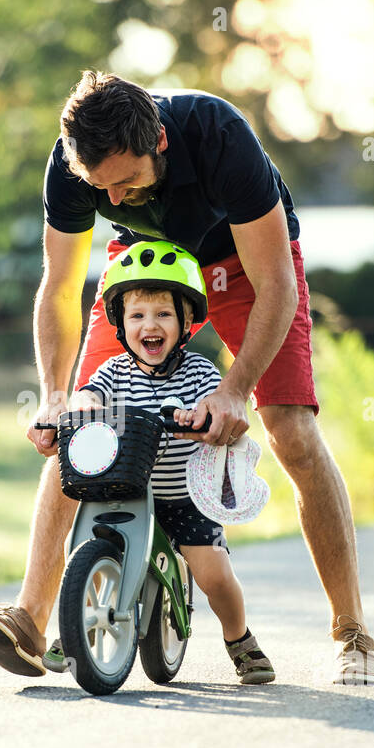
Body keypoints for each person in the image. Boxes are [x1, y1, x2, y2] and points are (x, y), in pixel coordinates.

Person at [0, 70, 374, 685]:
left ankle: (352, 629)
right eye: (102, 189)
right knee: (80, 426)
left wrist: (234, 389)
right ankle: (29, 619)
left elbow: (277, 286)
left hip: (246, 265)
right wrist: (56, 398)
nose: (119, 198)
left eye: (128, 181)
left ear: (158, 140)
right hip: (148, 268)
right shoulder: (74, 165)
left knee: (291, 431)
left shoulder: (220, 136)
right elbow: (57, 289)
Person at [38, 241, 274, 684]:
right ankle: (73, 625)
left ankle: (239, 639)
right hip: (122, 489)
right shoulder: (112, 373)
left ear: (186, 322)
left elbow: (214, 401)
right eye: (138, 315)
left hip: (182, 499)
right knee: (82, 544)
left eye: (164, 314)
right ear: (120, 323)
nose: (150, 325)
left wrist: (202, 413)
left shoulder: (198, 372)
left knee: (215, 573)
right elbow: (88, 392)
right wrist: (81, 406)